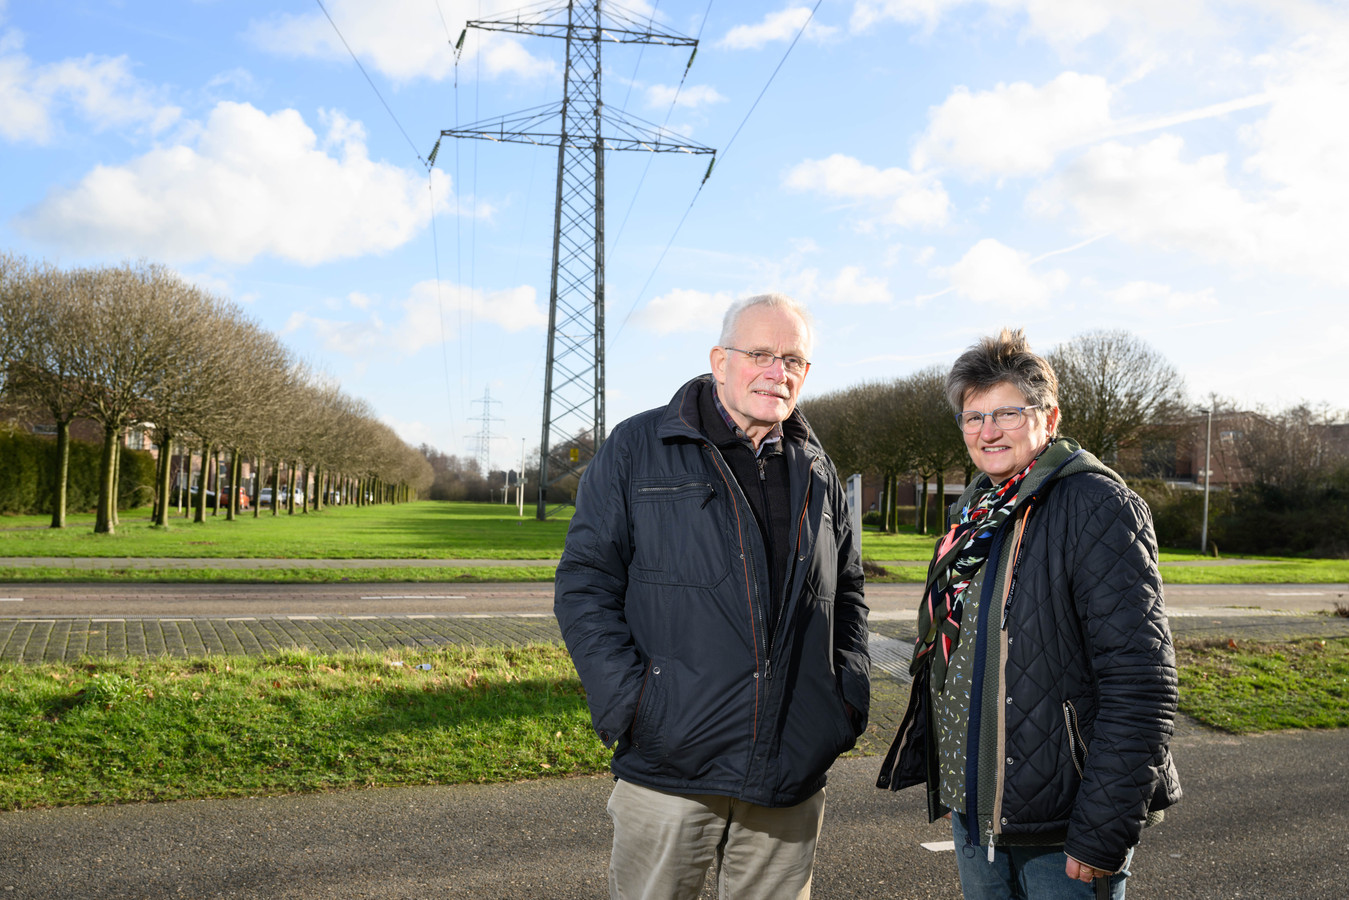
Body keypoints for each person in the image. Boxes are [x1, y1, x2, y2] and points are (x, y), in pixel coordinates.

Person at [555, 292, 869, 900]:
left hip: (788, 770)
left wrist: (843, 696)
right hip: (670, 767)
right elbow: (585, 583)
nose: (777, 372)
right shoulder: (638, 447)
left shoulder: (817, 468)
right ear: (719, 359)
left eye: (793, 360)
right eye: (760, 354)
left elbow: (848, 591)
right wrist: (634, 705)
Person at [878, 328, 1181, 899]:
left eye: (1007, 413)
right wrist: (957, 778)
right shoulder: (975, 509)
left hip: (1064, 828)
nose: (988, 432)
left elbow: (1141, 683)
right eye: (973, 417)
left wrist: (1101, 832)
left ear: (1049, 417)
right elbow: (956, 658)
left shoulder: (1095, 504)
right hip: (979, 813)